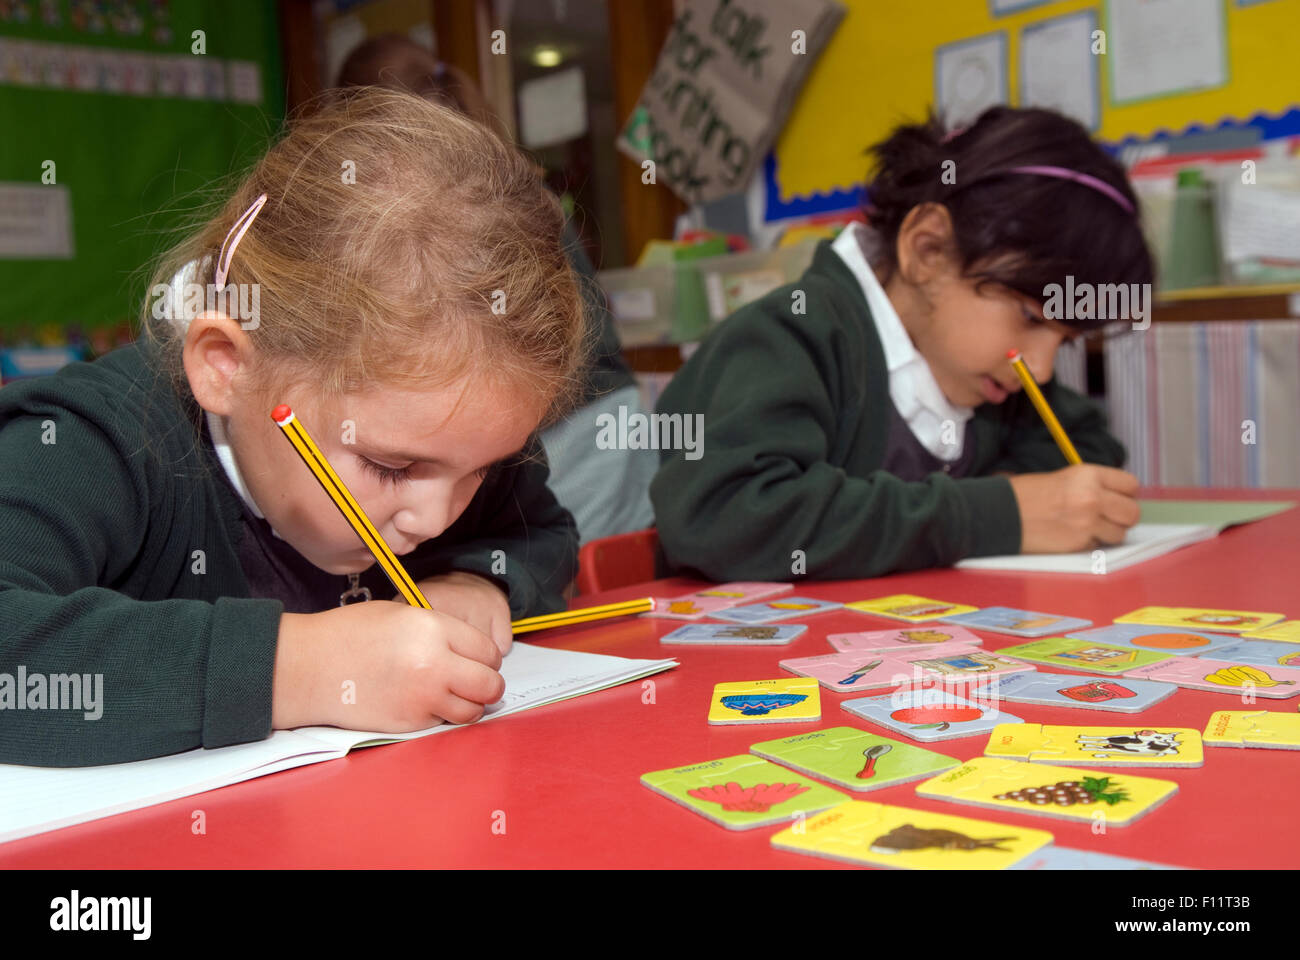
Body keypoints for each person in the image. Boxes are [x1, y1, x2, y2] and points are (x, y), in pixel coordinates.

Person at [0, 88, 585, 766]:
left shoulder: (439, 437)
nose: (434, 518)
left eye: (481, 470)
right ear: (225, 367)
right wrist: (298, 667)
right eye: (391, 468)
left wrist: (482, 582)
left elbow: (543, 534)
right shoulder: (92, 443)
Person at [652, 107, 1151, 581]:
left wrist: (1037, 503)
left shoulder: (992, 381)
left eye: (1064, 342)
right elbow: (724, 515)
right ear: (927, 249)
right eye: (1028, 317)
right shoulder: (794, 336)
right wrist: (993, 515)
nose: (1039, 369)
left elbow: (1089, 445)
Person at [337, 34, 656, 545]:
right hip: (590, 417)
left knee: (569, 589)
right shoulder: (501, 183)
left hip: (574, 426)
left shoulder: (465, 206)